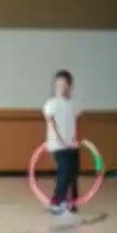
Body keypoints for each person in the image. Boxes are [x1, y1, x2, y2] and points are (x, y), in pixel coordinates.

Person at [43, 70, 82, 215]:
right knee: (64, 172)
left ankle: (71, 202)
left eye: (64, 84)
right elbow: (52, 123)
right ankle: (58, 201)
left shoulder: (75, 105)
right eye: (58, 84)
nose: (61, 87)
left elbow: (77, 123)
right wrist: (61, 140)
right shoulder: (51, 104)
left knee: (74, 172)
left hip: (72, 144)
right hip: (58, 145)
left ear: (70, 86)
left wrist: (76, 138)